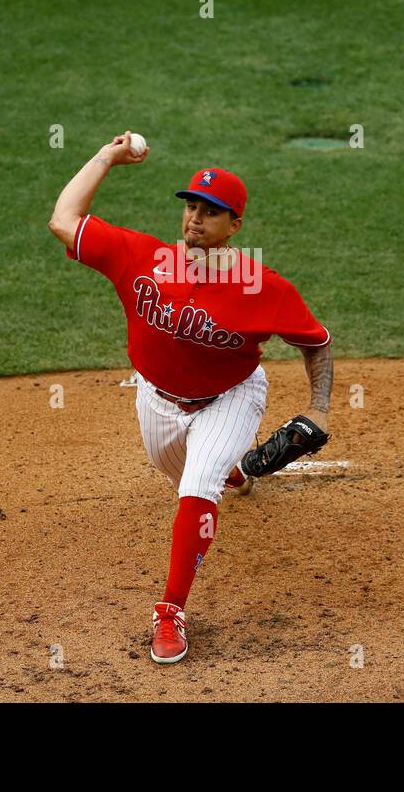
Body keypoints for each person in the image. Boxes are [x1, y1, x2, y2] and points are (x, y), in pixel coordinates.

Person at [47, 131, 334, 664]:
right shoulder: (139, 256)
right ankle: (239, 470)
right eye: (192, 207)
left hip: (231, 397)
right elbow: (63, 218)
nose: (196, 219)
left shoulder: (260, 285)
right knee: (187, 474)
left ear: (235, 226)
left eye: (212, 211)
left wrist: (318, 407)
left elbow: (316, 344)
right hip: (155, 401)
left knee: (196, 490)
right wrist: (107, 156)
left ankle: (170, 610)